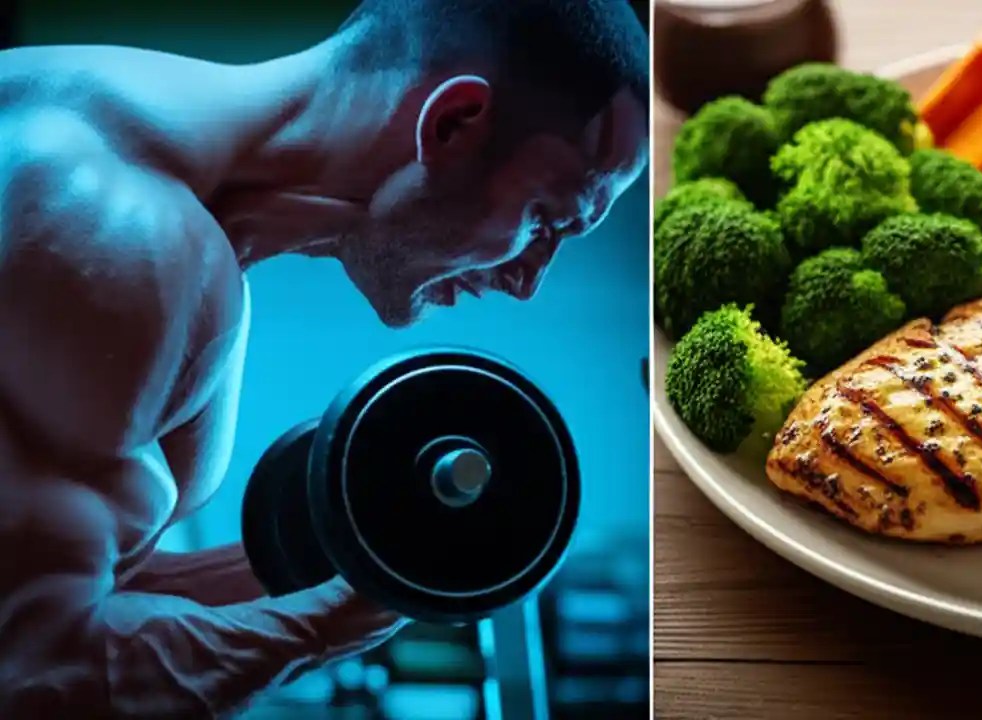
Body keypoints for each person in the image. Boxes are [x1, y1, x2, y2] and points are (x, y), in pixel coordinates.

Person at [0, 0, 648, 716]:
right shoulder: (117, 235)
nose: (528, 282)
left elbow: (87, 584)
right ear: (452, 123)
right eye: (543, 220)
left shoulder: (148, 177)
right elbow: (36, 674)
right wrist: (330, 626)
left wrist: (366, 556)